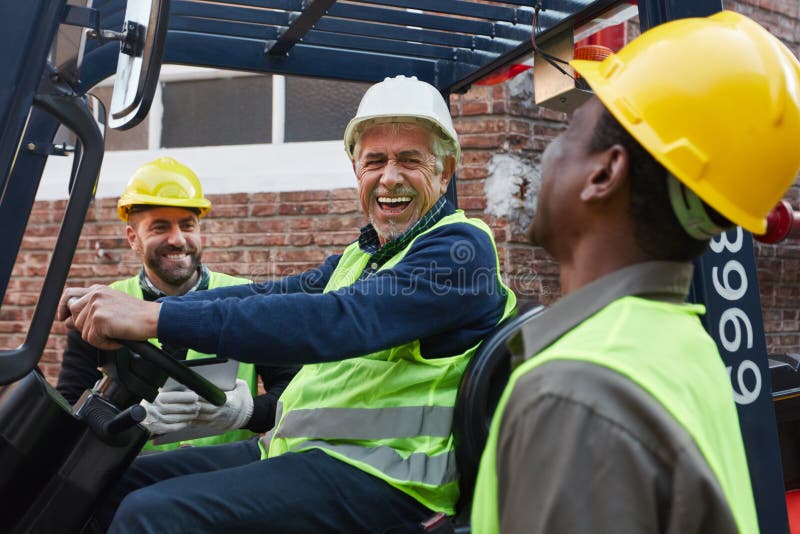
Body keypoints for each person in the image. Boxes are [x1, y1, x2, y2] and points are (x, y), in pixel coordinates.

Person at [60, 75, 516, 532]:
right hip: (304, 450)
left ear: (446, 170)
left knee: (151, 515)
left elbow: (336, 322)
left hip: (389, 479)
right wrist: (137, 308)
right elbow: (273, 295)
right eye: (375, 161)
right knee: (107, 482)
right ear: (357, 170)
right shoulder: (366, 255)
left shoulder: (458, 250)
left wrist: (154, 315)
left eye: (409, 160)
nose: (389, 177)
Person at [472, 11, 800, 534]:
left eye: (571, 130)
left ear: (604, 173)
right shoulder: (682, 344)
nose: (549, 152)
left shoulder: (574, 397)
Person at [56, 157, 298, 451]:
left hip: (224, 472)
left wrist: (246, 413)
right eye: (160, 228)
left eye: (187, 225)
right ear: (133, 238)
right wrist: (126, 419)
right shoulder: (101, 312)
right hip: (132, 472)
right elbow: (68, 410)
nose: (178, 239)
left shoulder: (248, 301)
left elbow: (294, 395)